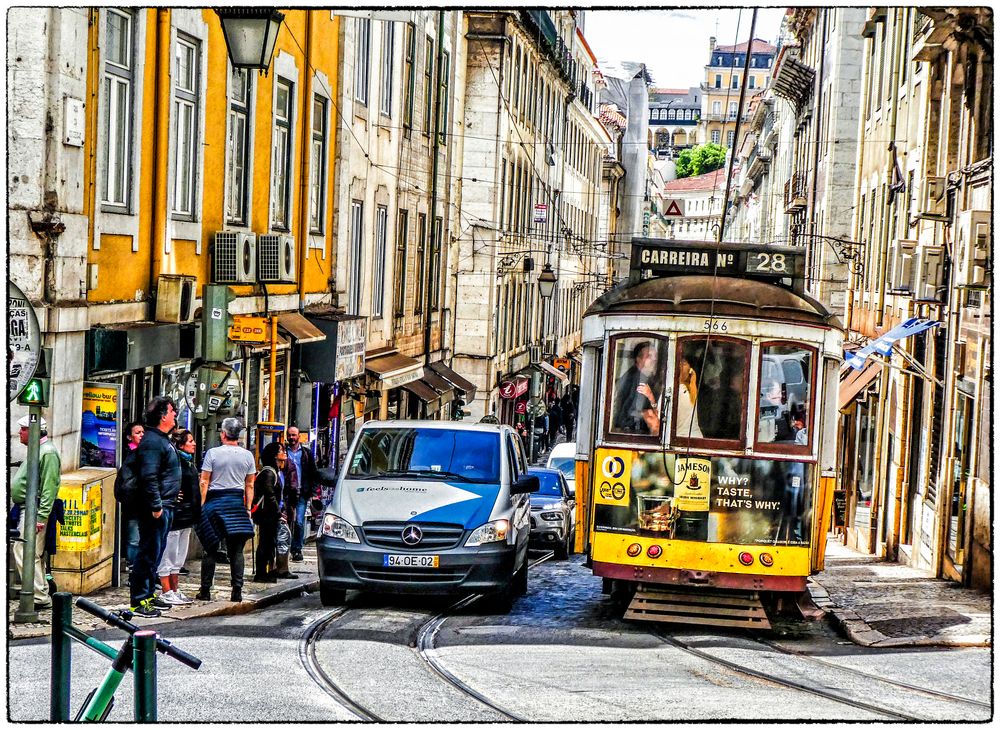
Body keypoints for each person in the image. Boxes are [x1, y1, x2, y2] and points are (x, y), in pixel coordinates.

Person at [196, 417, 257, 602]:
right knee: (236, 551)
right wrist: (247, 508)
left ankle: (205, 590)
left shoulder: (213, 453)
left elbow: (204, 481)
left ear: (223, 434)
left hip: (215, 502)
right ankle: (236, 590)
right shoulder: (247, 456)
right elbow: (250, 485)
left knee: (210, 548)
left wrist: (201, 506)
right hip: (236, 503)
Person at [131, 397, 181, 617]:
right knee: (148, 553)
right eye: (172, 411)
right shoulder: (153, 442)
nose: (175, 415)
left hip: (165, 505)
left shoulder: (161, 439)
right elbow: (148, 476)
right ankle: (139, 600)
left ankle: (150, 595)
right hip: (156, 508)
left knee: (156, 553)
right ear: (162, 416)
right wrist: (156, 505)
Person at [11, 415, 62, 610]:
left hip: (35, 508)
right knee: (32, 552)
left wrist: (41, 516)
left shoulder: (47, 452)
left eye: (22, 429)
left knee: (25, 550)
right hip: (30, 507)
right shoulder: (40, 450)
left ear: (32, 431)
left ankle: (39, 595)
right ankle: (39, 590)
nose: (19, 433)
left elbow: (49, 487)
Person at [155, 429, 199, 605]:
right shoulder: (175, 461)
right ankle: (166, 590)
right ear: (180, 445)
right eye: (190, 441)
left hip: (188, 514)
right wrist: (170, 494)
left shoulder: (189, 463)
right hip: (176, 513)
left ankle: (175, 588)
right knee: (169, 553)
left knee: (179, 556)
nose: (194, 443)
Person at [284, 425, 318, 563]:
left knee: (299, 522)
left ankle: (297, 549)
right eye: (290, 435)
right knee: (286, 521)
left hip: (302, 492)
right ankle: (283, 548)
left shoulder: (306, 453)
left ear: (299, 436)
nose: (292, 438)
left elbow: (313, 473)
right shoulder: (283, 452)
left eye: (294, 435)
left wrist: (313, 492)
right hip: (287, 492)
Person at [612, 341, 661, 435]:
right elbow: (631, 412)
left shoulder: (645, 378)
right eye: (649, 356)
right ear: (639, 359)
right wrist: (646, 414)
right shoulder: (634, 380)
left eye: (655, 356)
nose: (654, 359)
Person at [252, 442, 285, 583]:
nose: (284, 453)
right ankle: (261, 572)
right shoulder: (268, 473)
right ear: (274, 455)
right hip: (266, 514)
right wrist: (279, 513)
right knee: (266, 542)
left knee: (269, 542)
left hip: (269, 514)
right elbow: (270, 495)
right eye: (281, 451)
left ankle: (268, 570)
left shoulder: (273, 471)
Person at [121, 421, 144, 573]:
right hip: (133, 503)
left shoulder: (146, 452)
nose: (142, 435)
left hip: (145, 502)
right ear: (129, 437)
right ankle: (132, 566)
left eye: (143, 432)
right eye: (137, 433)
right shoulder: (128, 455)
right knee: (133, 538)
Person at [675, 356, 704, 439]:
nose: (679, 365)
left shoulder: (679, 391)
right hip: (696, 439)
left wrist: (651, 398)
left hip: (682, 441)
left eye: (683, 363)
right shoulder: (690, 390)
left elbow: (659, 418)